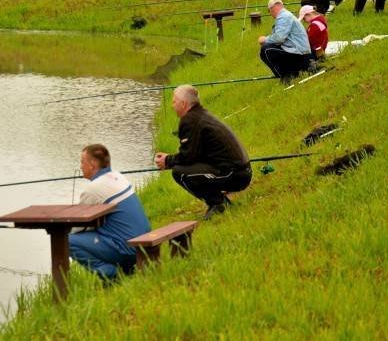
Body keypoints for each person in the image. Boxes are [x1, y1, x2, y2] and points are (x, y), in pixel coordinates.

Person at [155, 85, 251, 220]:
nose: (172, 105)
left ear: (183, 104)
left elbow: (188, 156)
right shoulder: (201, 115)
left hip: (234, 174)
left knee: (179, 172)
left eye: (174, 101)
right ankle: (220, 202)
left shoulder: (189, 120)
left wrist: (167, 161)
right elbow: (194, 154)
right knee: (184, 168)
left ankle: (218, 203)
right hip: (242, 171)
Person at [69, 144, 152, 280]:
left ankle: (110, 274)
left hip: (129, 249)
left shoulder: (93, 189)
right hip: (143, 242)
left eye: (82, 162)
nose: (81, 166)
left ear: (92, 164)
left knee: (66, 240)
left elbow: (77, 226)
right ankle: (126, 270)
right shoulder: (118, 176)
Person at [258, 0, 313, 82]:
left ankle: (286, 76)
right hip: (301, 52)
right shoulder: (287, 15)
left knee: (266, 49)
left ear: (272, 8)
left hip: (300, 54)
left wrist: (265, 39)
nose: (270, 14)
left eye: (269, 11)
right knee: (270, 47)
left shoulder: (283, 16)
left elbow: (279, 38)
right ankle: (291, 73)